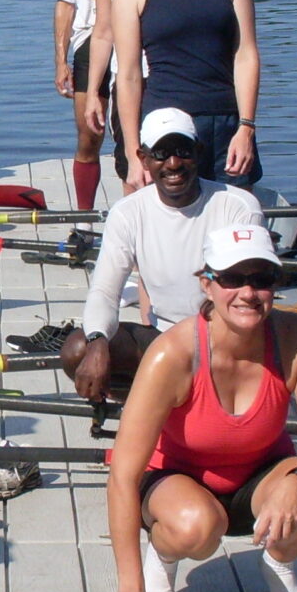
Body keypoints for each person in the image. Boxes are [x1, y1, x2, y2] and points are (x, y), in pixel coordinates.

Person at [104, 226, 297, 592]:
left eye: (262, 278)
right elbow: (123, 476)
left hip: (261, 478)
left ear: (276, 285)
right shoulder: (171, 354)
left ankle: (280, 561)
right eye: (233, 278)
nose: (248, 292)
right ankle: (161, 557)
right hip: (177, 481)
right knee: (198, 528)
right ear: (207, 284)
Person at [65, 107, 263, 403]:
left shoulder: (238, 207)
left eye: (183, 151)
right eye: (160, 154)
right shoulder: (128, 213)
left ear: (199, 152)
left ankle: (194, 400)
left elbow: (248, 296)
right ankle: (151, 409)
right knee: (77, 348)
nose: (173, 163)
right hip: (165, 335)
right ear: (143, 158)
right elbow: (105, 292)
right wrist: (97, 340)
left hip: (229, 338)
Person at [111, 0, 262, 189]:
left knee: (233, 222)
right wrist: (132, 151)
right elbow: (127, 75)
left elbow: (245, 54)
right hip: (166, 122)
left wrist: (246, 128)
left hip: (226, 122)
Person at [81, 0, 199, 189]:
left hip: (180, 78)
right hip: (130, 81)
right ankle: (135, 231)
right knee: (133, 167)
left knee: (184, 162)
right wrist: (94, 92)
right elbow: (103, 33)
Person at [48, 0, 126, 209]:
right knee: (88, 136)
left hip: (133, 44)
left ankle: (138, 218)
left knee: (132, 139)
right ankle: (83, 218)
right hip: (88, 43)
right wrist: (60, 61)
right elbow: (65, 5)